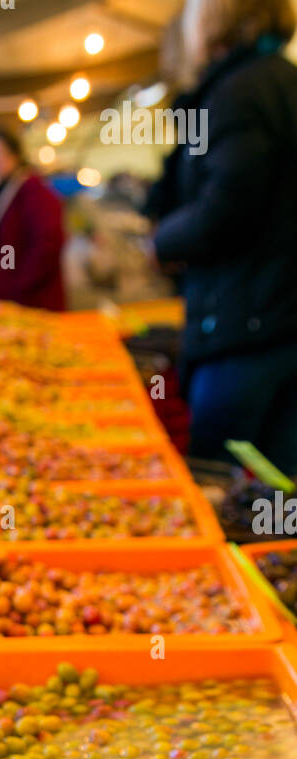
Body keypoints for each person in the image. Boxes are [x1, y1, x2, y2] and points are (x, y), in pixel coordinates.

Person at [152, 0, 297, 469]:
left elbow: (227, 210)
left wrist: (161, 240)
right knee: (280, 493)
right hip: (278, 323)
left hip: (243, 332)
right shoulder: (283, 80)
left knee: (228, 482)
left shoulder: (237, 93)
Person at [0, 128, 66, 310]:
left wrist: (18, 284)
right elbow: (6, 246)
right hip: (11, 294)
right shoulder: (1, 192)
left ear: (14, 154)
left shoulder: (32, 191)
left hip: (33, 300)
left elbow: (47, 242)